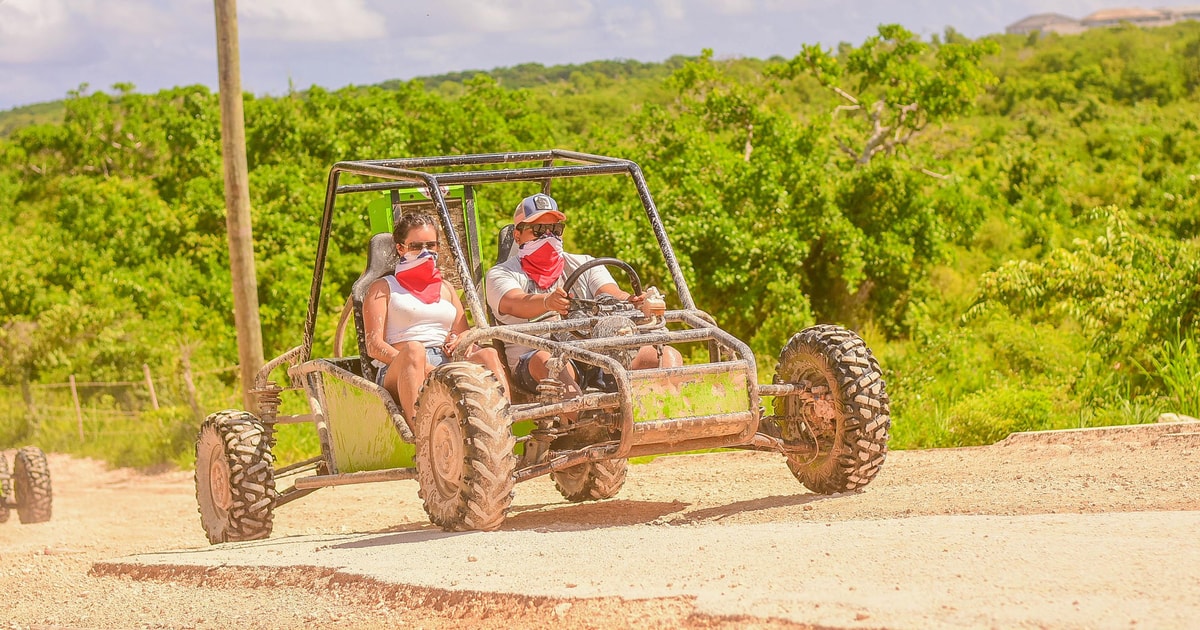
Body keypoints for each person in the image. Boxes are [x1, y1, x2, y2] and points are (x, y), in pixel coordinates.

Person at [485, 193, 683, 398]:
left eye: (555, 229)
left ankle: (668, 417)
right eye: (538, 230)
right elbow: (514, 302)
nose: (548, 236)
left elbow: (610, 292)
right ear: (518, 235)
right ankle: (584, 421)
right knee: (549, 363)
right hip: (537, 360)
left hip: (597, 353)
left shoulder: (584, 263)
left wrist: (632, 301)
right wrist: (547, 302)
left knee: (666, 356)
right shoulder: (501, 274)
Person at [363, 212, 509, 421]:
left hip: (445, 361)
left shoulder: (446, 288)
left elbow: (463, 332)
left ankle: (503, 426)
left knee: (488, 355)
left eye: (431, 245)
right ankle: (421, 436)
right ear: (400, 248)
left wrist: (462, 339)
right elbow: (374, 345)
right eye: (416, 246)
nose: (425, 252)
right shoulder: (383, 288)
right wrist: (418, 363)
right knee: (414, 349)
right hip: (400, 365)